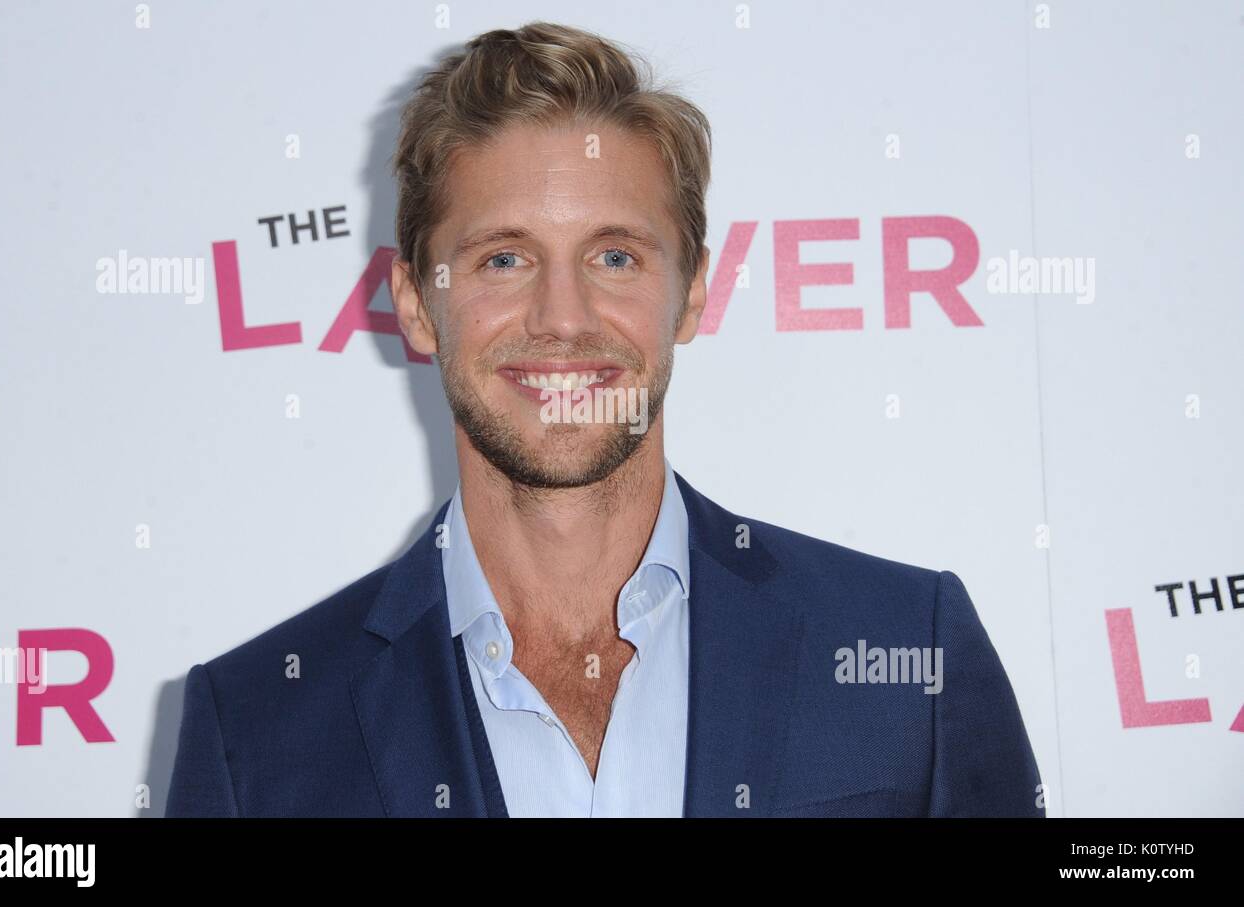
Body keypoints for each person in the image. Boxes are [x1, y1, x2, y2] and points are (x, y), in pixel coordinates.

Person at [165, 21, 1043, 818]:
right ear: (418, 306)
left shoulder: (903, 646)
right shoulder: (257, 730)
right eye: (503, 258)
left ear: (691, 290)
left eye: (614, 255)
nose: (563, 317)